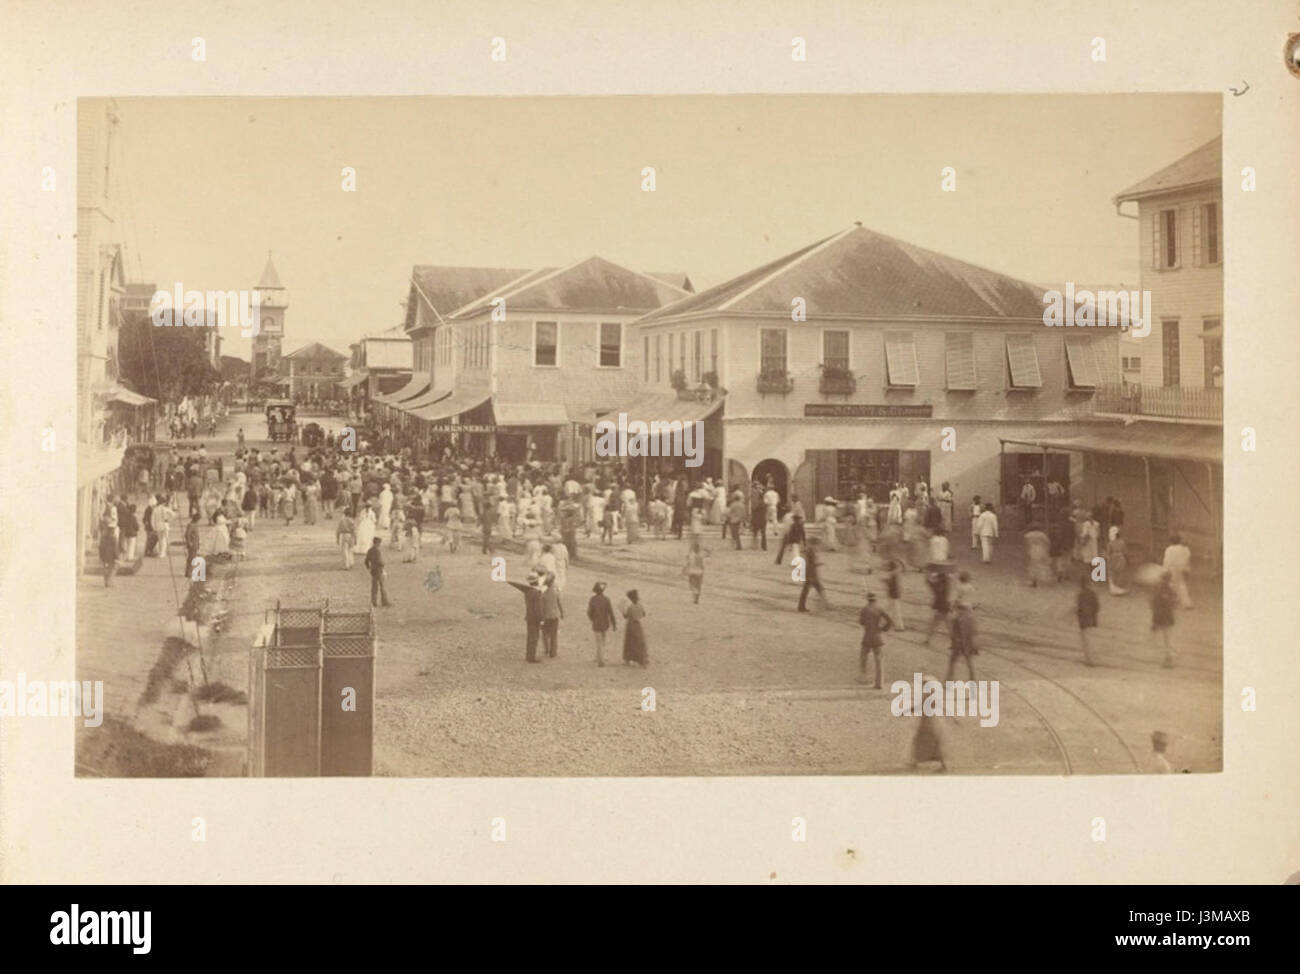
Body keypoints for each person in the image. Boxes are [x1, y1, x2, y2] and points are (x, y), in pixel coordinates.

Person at [507, 571, 545, 662]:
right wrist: (542, 620)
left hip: (529, 617)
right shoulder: (536, 593)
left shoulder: (528, 591)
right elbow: (538, 608)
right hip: (535, 618)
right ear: (537, 581)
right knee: (534, 638)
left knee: (530, 637)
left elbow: (522, 587)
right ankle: (531, 657)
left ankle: (529, 656)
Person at [857, 591, 892, 688]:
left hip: (867, 637)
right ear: (875, 600)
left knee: (863, 658)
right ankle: (879, 683)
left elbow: (861, 622)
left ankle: (863, 678)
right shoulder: (880, 609)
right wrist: (884, 628)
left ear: (868, 600)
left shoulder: (864, 609)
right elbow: (890, 621)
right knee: (879, 661)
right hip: (877, 637)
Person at [945, 598, 978, 683]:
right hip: (968, 643)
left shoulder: (958, 618)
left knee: (953, 661)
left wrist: (956, 642)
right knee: (969, 662)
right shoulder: (971, 617)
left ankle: (949, 679)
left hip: (960, 643)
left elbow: (954, 632)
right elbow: (974, 632)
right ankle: (973, 679)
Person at [587, 581, 617, 667]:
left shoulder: (592, 599)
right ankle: (599, 657)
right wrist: (614, 624)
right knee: (603, 641)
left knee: (599, 642)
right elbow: (611, 613)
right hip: (605, 623)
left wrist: (592, 619)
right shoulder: (606, 599)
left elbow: (589, 612)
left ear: (595, 591)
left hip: (596, 623)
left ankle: (600, 660)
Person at [1151, 570, 1177, 668]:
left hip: (1163, 618)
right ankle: (1169, 657)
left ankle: (1169, 659)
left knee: (1165, 639)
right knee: (1166, 638)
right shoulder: (1169, 589)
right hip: (1168, 617)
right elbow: (1173, 602)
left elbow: (1158, 606)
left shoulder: (1161, 590)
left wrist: (1154, 621)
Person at [797, 537, 829, 612]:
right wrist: (818, 564)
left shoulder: (809, 550)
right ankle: (825, 605)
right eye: (817, 544)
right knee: (819, 589)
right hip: (811, 574)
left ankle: (801, 606)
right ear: (814, 544)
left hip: (809, 574)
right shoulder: (811, 551)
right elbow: (811, 564)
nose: (818, 546)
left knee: (808, 591)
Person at [1162, 535, 1193, 609]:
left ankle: (1171, 602)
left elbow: (1167, 561)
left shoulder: (1169, 549)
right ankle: (1186, 603)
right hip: (1181, 569)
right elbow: (1188, 558)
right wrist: (1187, 569)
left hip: (1172, 569)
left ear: (1171, 541)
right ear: (1179, 541)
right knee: (1182, 585)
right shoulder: (1185, 549)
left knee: (1171, 585)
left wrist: (1165, 569)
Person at [922, 567, 950, 647]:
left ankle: (928, 640)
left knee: (934, 625)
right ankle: (955, 642)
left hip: (940, 609)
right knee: (948, 626)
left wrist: (927, 573)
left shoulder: (937, 586)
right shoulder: (946, 584)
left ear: (939, 578)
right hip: (946, 608)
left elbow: (928, 582)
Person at [1077, 573, 1100, 667]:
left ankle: (1089, 660)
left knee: (1086, 641)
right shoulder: (1093, 593)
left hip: (1083, 620)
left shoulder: (1081, 594)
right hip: (1091, 620)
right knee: (1090, 640)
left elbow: (1080, 607)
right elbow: (1097, 606)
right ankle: (1092, 659)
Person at [622, 589, 649, 667]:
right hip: (638, 625)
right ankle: (642, 659)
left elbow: (626, 616)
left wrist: (622, 611)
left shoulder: (630, 607)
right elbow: (643, 614)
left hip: (631, 625)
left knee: (630, 642)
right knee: (639, 642)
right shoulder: (640, 606)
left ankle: (628, 659)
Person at [540, 572, 564, 658]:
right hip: (555, 616)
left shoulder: (544, 595)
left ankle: (546, 649)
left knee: (545, 634)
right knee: (554, 635)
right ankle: (553, 652)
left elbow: (542, 608)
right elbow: (559, 603)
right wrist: (562, 613)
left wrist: (541, 619)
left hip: (546, 617)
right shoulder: (555, 593)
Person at [363, 536, 392, 607]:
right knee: (382, 586)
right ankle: (384, 601)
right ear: (377, 543)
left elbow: (366, 561)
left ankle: (373, 601)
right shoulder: (377, 551)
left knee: (374, 587)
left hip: (373, 571)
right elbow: (379, 561)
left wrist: (369, 568)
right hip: (379, 570)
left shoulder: (370, 550)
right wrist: (383, 564)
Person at [1105, 525, 1129, 595]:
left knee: (1113, 573)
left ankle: (1114, 590)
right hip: (1121, 558)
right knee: (1120, 573)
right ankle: (1120, 589)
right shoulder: (1122, 542)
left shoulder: (1110, 543)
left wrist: (1108, 559)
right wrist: (1127, 560)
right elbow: (1125, 552)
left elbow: (1108, 552)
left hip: (1113, 558)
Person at [683, 539, 707, 604]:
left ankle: (695, 593)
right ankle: (697, 598)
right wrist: (702, 571)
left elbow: (688, 563)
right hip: (699, 572)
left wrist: (684, 570)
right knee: (698, 586)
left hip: (692, 572)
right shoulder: (701, 556)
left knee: (692, 585)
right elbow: (702, 565)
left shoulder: (691, 555)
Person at [884, 559, 905, 631]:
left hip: (893, 595)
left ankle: (898, 626)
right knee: (894, 611)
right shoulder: (898, 573)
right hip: (896, 595)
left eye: (889, 566)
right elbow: (897, 585)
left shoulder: (893, 574)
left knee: (892, 611)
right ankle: (898, 626)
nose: (887, 568)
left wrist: (885, 581)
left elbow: (892, 585)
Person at [98, 519, 118, 587]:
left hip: (104, 556)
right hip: (111, 557)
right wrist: (117, 557)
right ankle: (109, 581)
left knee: (105, 568)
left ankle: (106, 581)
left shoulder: (103, 537)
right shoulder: (114, 538)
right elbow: (115, 549)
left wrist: (101, 555)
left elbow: (100, 547)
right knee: (112, 569)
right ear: (112, 530)